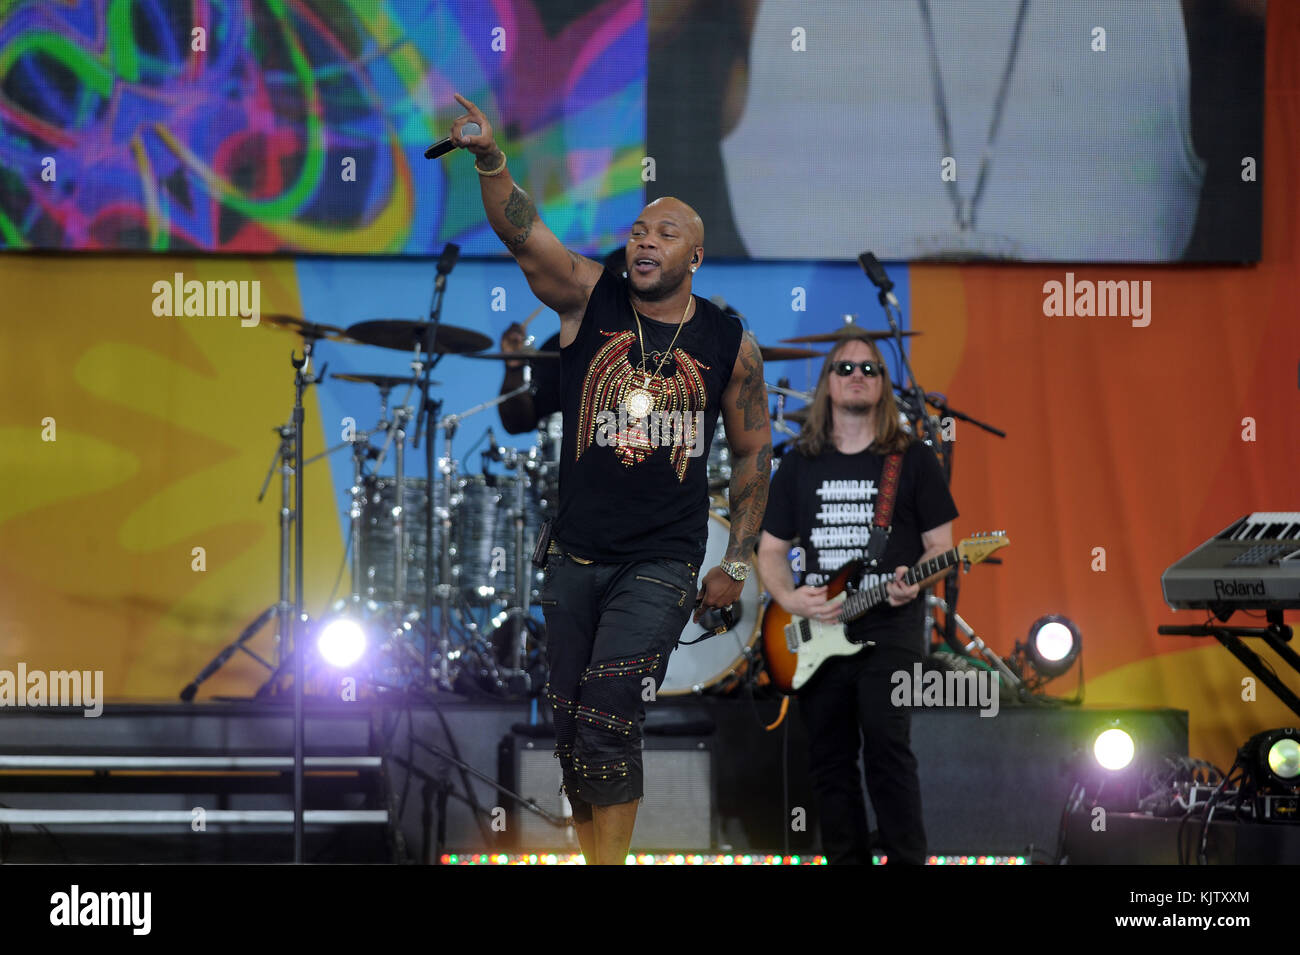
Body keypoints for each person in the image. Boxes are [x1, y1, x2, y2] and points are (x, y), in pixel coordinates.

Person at [448, 93, 772, 865]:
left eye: (667, 233)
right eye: (638, 229)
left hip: (660, 559)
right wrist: (492, 161)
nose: (645, 240)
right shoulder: (588, 297)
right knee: (569, 725)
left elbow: (755, 453)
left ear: (695, 256)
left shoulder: (730, 343)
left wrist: (735, 560)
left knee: (609, 708)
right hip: (575, 555)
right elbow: (524, 234)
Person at [756, 334, 958, 865]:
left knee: (888, 746)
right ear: (827, 382)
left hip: (889, 628)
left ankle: (907, 859)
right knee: (829, 759)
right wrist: (792, 600)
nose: (857, 375)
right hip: (818, 630)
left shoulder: (909, 459)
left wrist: (915, 578)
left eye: (870, 368)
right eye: (845, 367)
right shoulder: (800, 464)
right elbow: (771, 552)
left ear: (883, 385)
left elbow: (943, 547)